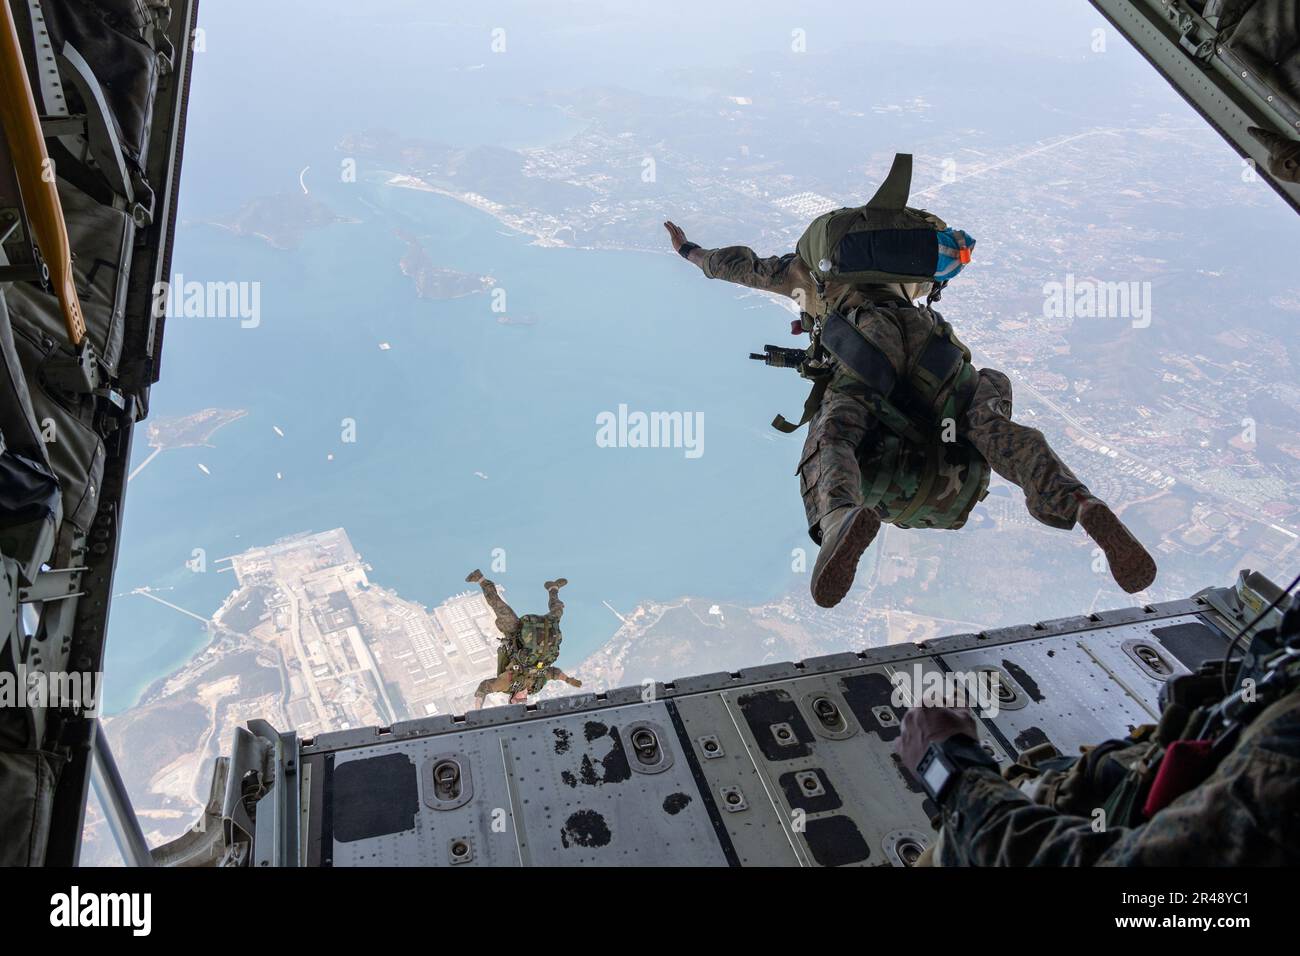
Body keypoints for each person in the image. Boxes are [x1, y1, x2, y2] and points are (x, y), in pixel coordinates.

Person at [664, 153, 1156, 608]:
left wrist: (689, 250)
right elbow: (933, 280)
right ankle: (1078, 500)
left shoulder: (805, 275)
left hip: (862, 347)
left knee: (836, 432)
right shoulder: (909, 270)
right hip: (931, 344)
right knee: (983, 420)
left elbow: (740, 268)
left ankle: (838, 519)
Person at [466, 570, 582, 707]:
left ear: (512, 698)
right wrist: (568, 680)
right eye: (525, 701)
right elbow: (553, 673)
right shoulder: (536, 686)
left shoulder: (507, 685)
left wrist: (477, 710)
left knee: (499, 606)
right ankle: (553, 588)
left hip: (516, 636)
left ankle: (480, 579)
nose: (524, 698)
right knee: (557, 612)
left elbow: (484, 687)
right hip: (540, 640)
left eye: (519, 700)